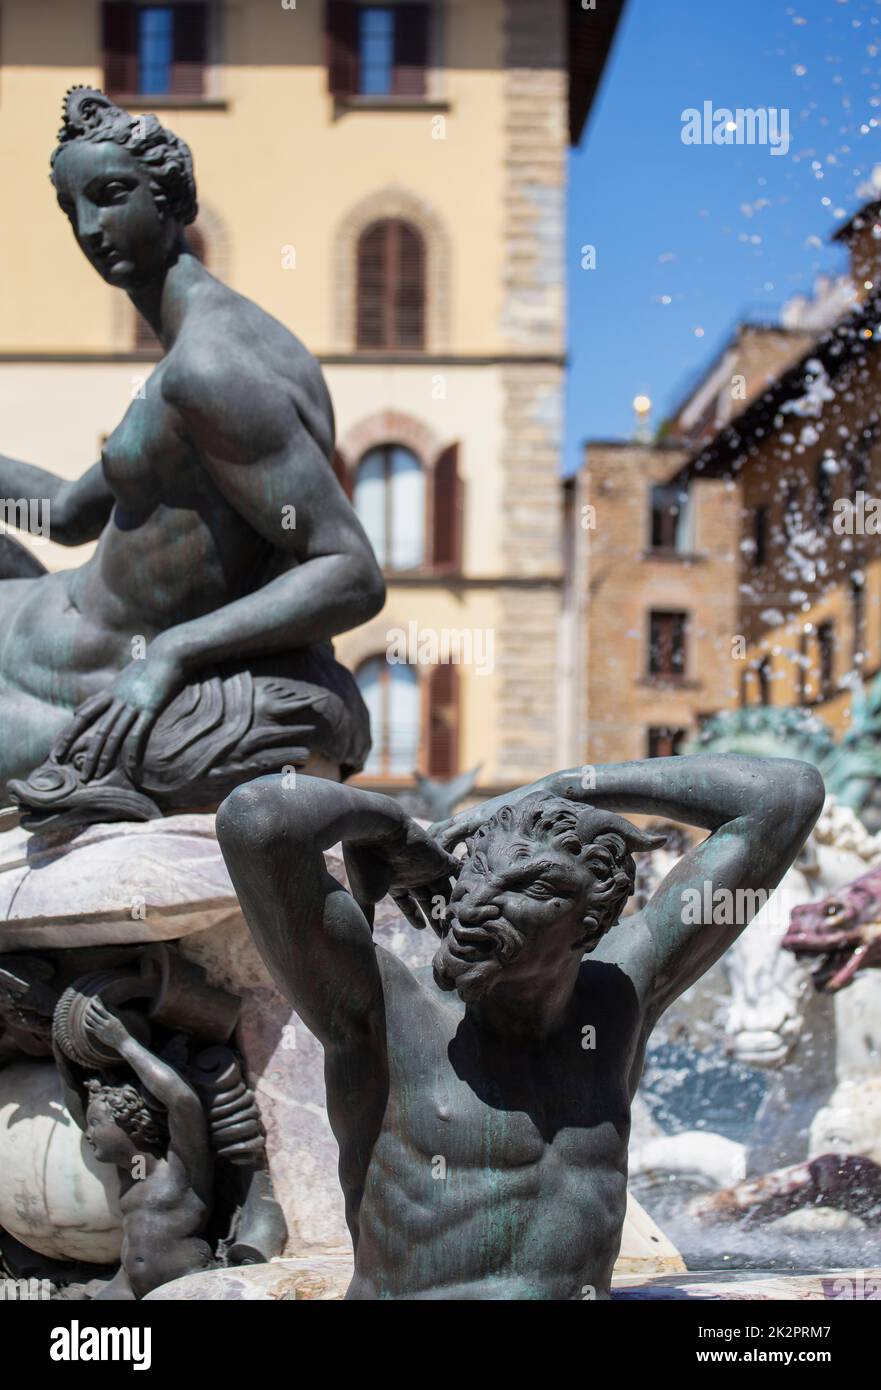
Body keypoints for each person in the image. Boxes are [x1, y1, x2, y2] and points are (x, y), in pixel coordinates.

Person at [216, 752, 824, 1300]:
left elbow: (785, 794)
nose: (476, 902)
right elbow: (256, 818)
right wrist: (391, 825)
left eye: (532, 887)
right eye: (475, 872)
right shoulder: (381, 1012)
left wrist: (570, 785)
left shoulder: (619, 1001)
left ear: (591, 925)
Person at [0, 87, 382, 797]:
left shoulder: (214, 366)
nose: (89, 227)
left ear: (170, 197)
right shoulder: (182, 361)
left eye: (111, 195)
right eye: (71, 208)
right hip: (38, 628)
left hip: (76, 683)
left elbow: (350, 571)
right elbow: (64, 516)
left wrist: (172, 654)